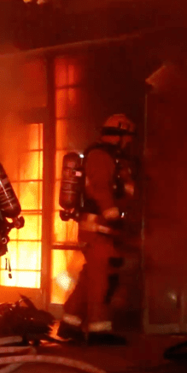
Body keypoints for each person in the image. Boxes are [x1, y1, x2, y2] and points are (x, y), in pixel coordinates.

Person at [56, 114, 136, 345]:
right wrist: (113, 214)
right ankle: (98, 330)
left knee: (91, 277)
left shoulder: (113, 158)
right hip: (98, 228)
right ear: (119, 136)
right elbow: (100, 187)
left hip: (103, 229)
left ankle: (70, 323)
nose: (130, 142)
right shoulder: (101, 156)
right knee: (102, 280)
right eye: (128, 137)